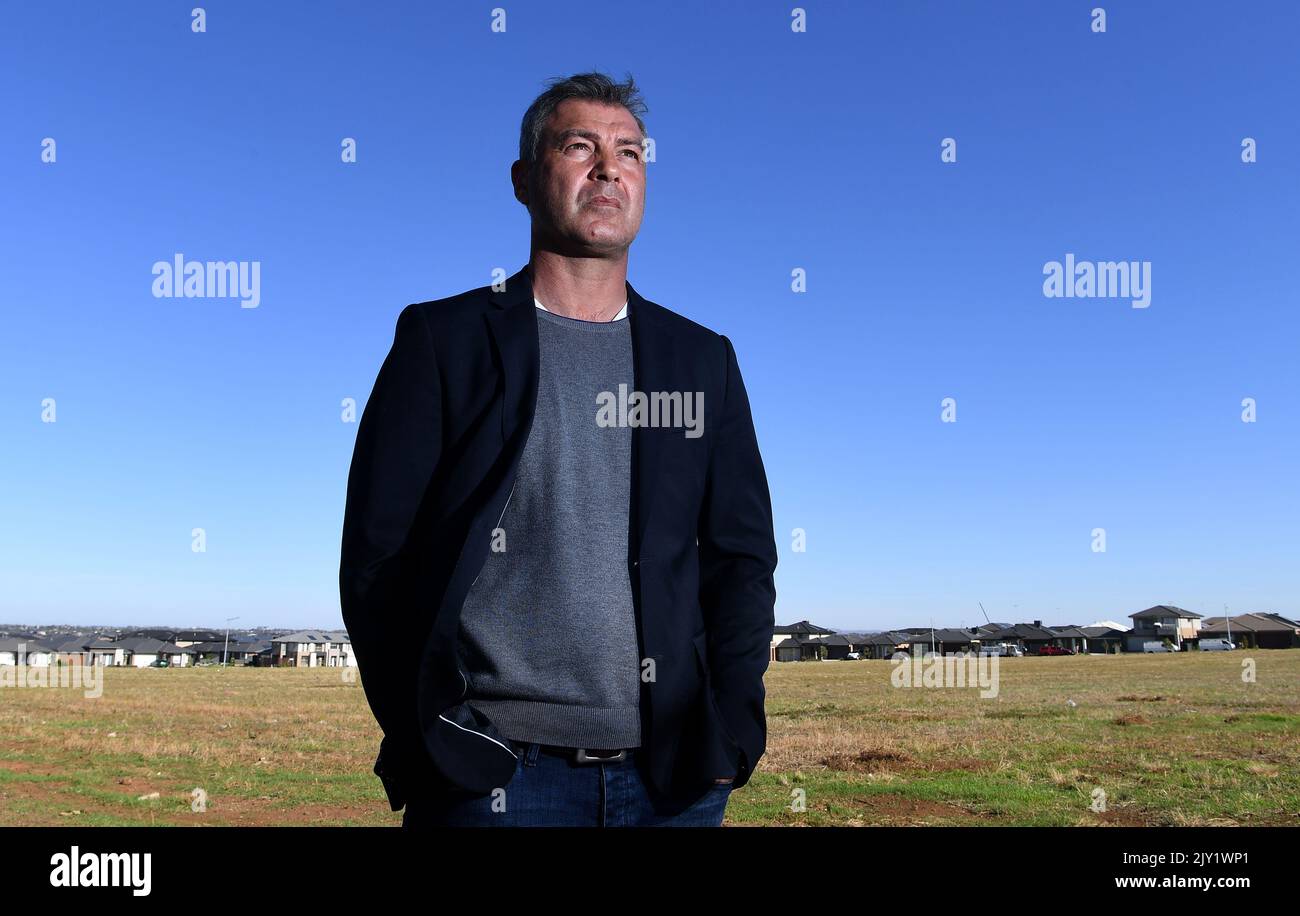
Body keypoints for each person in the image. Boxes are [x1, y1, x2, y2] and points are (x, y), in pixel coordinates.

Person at [339, 72, 777, 827]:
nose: (610, 167)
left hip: (673, 785)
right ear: (523, 178)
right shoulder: (444, 343)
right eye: (580, 146)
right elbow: (377, 558)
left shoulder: (702, 360)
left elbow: (740, 557)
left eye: (630, 153)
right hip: (494, 781)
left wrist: (732, 730)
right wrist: (431, 735)